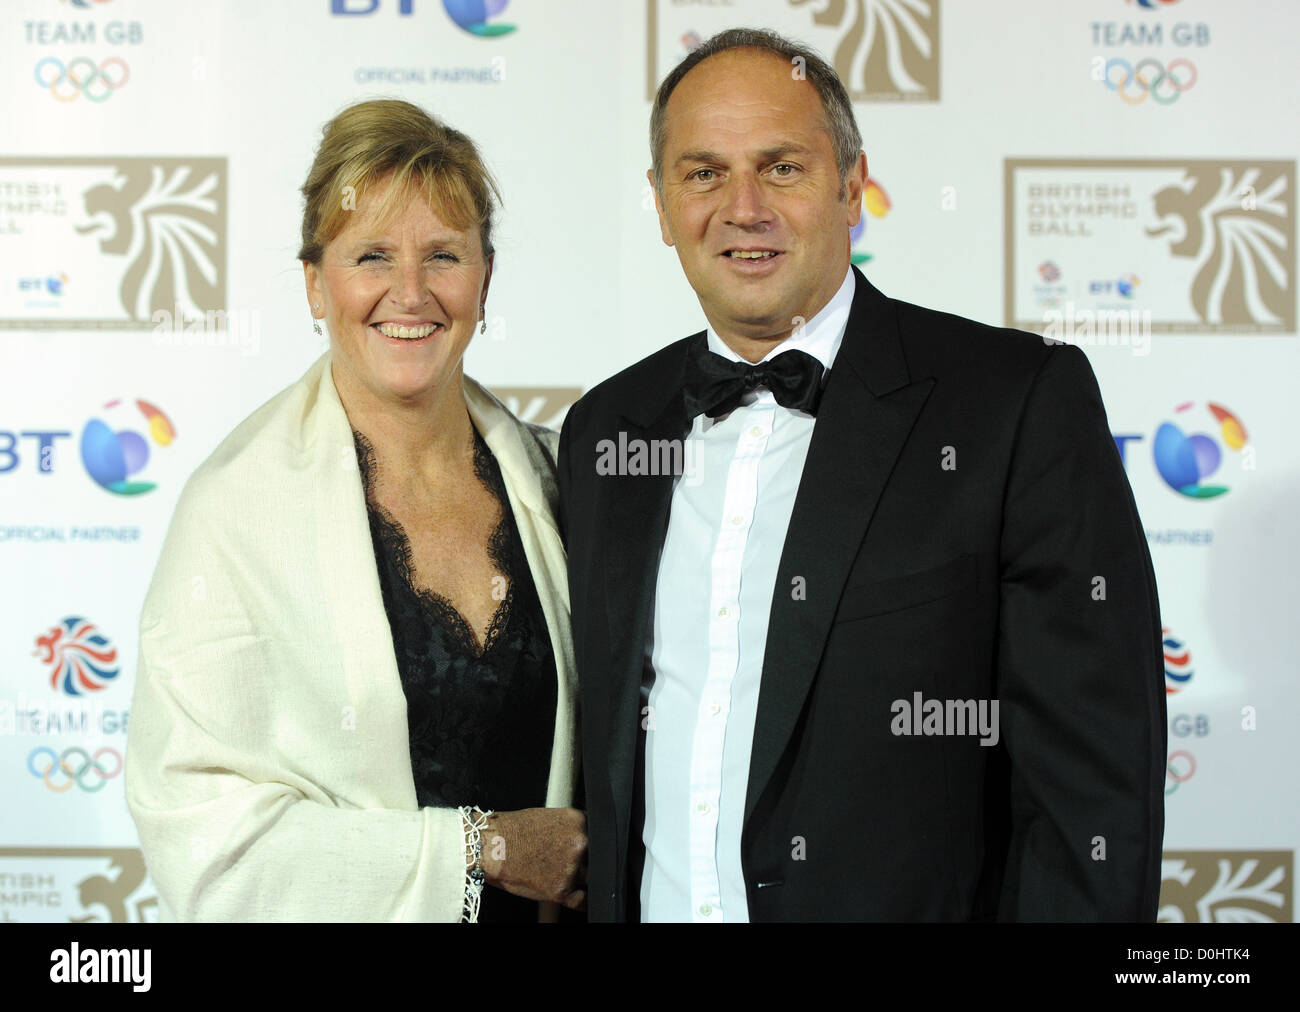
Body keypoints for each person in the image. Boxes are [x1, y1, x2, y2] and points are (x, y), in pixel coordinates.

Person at [558, 28, 1166, 921]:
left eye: (783, 168)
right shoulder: (605, 428)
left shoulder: (1011, 402)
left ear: (851, 186)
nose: (743, 208)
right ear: (659, 205)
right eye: (703, 174)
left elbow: (1093, 789)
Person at [125, 99, 586, 922]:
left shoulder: (557, 479)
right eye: (372, 255)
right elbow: (204, 842)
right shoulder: (232, 513)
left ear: (485, 278)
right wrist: (483, 849)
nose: (410, 294)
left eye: (443, 255)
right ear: (315, 282)